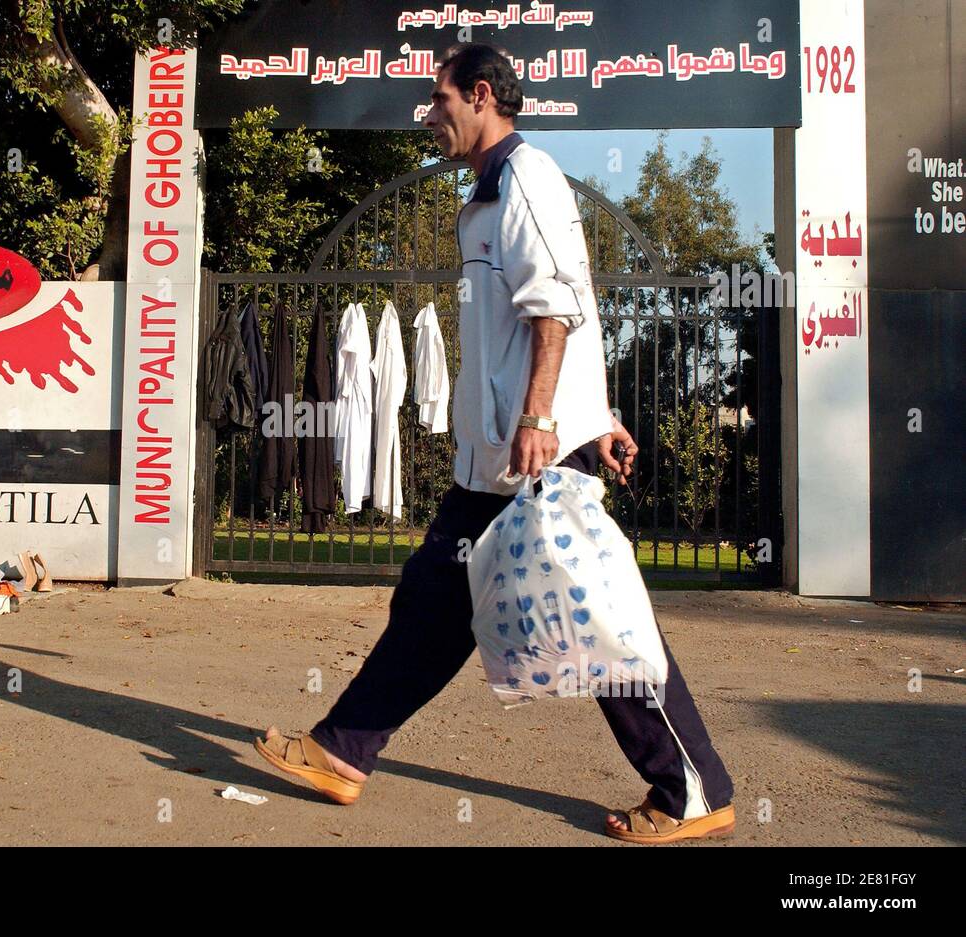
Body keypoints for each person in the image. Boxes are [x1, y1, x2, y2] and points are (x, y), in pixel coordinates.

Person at [253, 44, 735, 843]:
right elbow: (568, 304)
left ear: (481, 96)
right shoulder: (487, 195)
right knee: (434, 602)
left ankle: (692, 788)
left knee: (600, 625)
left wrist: (551, 418)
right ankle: (342, 751)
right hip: (501, 455)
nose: (429, 111)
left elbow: (556, 311)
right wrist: (600, 410)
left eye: (438, 97)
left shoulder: (526, 179)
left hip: (532, 449)